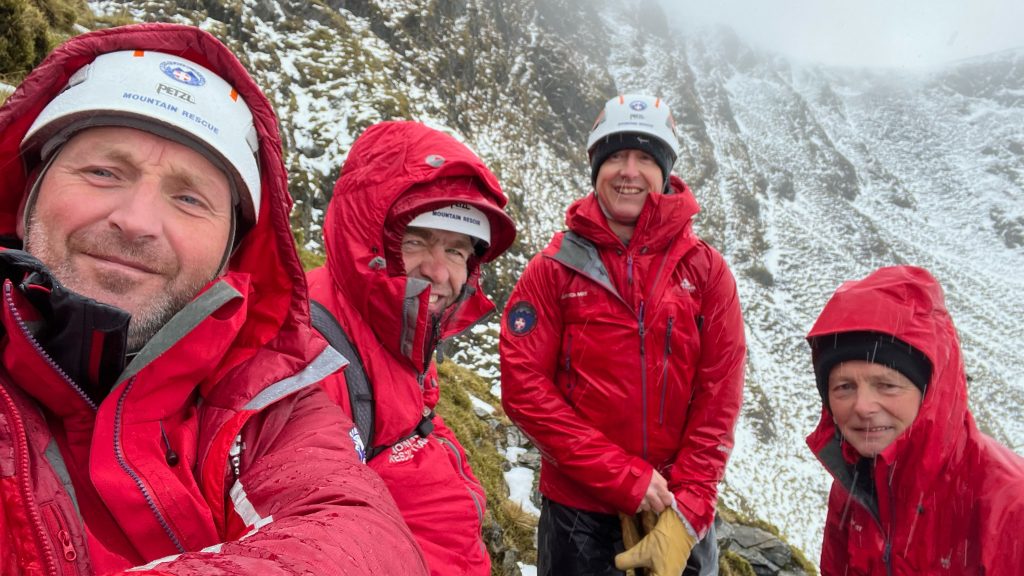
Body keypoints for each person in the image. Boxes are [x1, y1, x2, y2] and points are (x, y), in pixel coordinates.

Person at [0, 23, 427, 574]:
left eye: (188, 198)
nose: (136, 222)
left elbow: (357, 535)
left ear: (232, 250)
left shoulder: (269, 396)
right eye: (103, 171)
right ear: (28, 192)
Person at [499, 93, 746, 575]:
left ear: (666, 171)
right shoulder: (553, 271)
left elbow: (718, 399)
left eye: (645, 157)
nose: (628, 171)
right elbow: (524, 388)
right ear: (596, 168)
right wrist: (624, 477)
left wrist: (689, 509)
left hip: (677, 508)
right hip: (577, 513)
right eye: (614, 156)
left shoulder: (707, 273)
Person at [306, 120, 517, 576]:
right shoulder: (310, 352)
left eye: (458, 251)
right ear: (370, 240)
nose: (438, 272)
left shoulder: (398, 331)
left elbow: (410, 417)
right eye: (416, 241)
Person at [806, 265, 1024, 575]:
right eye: (844, 387)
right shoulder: (854, 481)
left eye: (887, 385)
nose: (863, 406)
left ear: (929, 393)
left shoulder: (1010, 504)